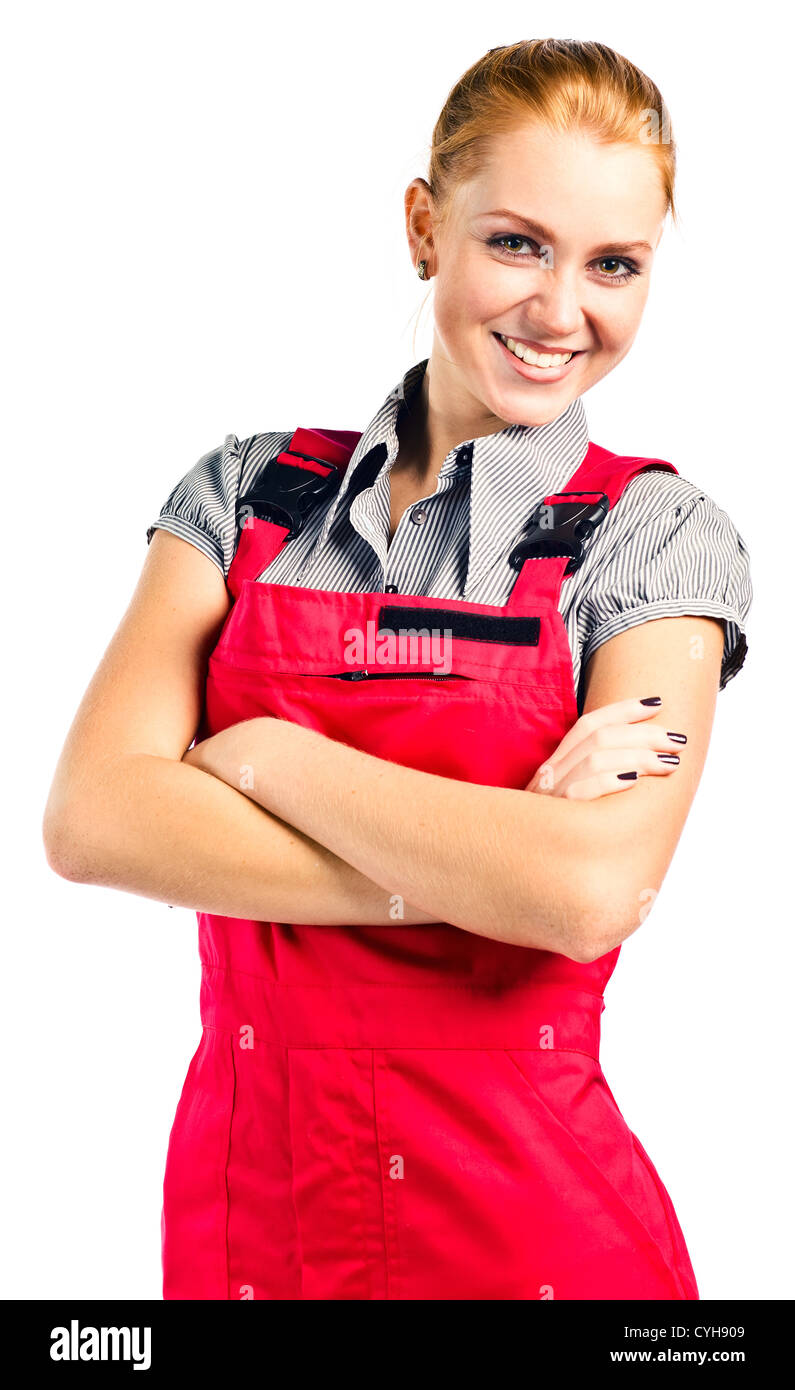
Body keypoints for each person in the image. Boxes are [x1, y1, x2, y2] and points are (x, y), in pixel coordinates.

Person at [43, 38, 752, 1300]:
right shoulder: (243, 496)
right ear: (426, 227)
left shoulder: (654, 537)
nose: (559, 311)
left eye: (615, 266)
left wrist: (266, 758)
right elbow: (94, 819)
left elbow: (589, 893)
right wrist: (493, 866)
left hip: (535, 1244)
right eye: (517, 243)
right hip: (249, 1232)